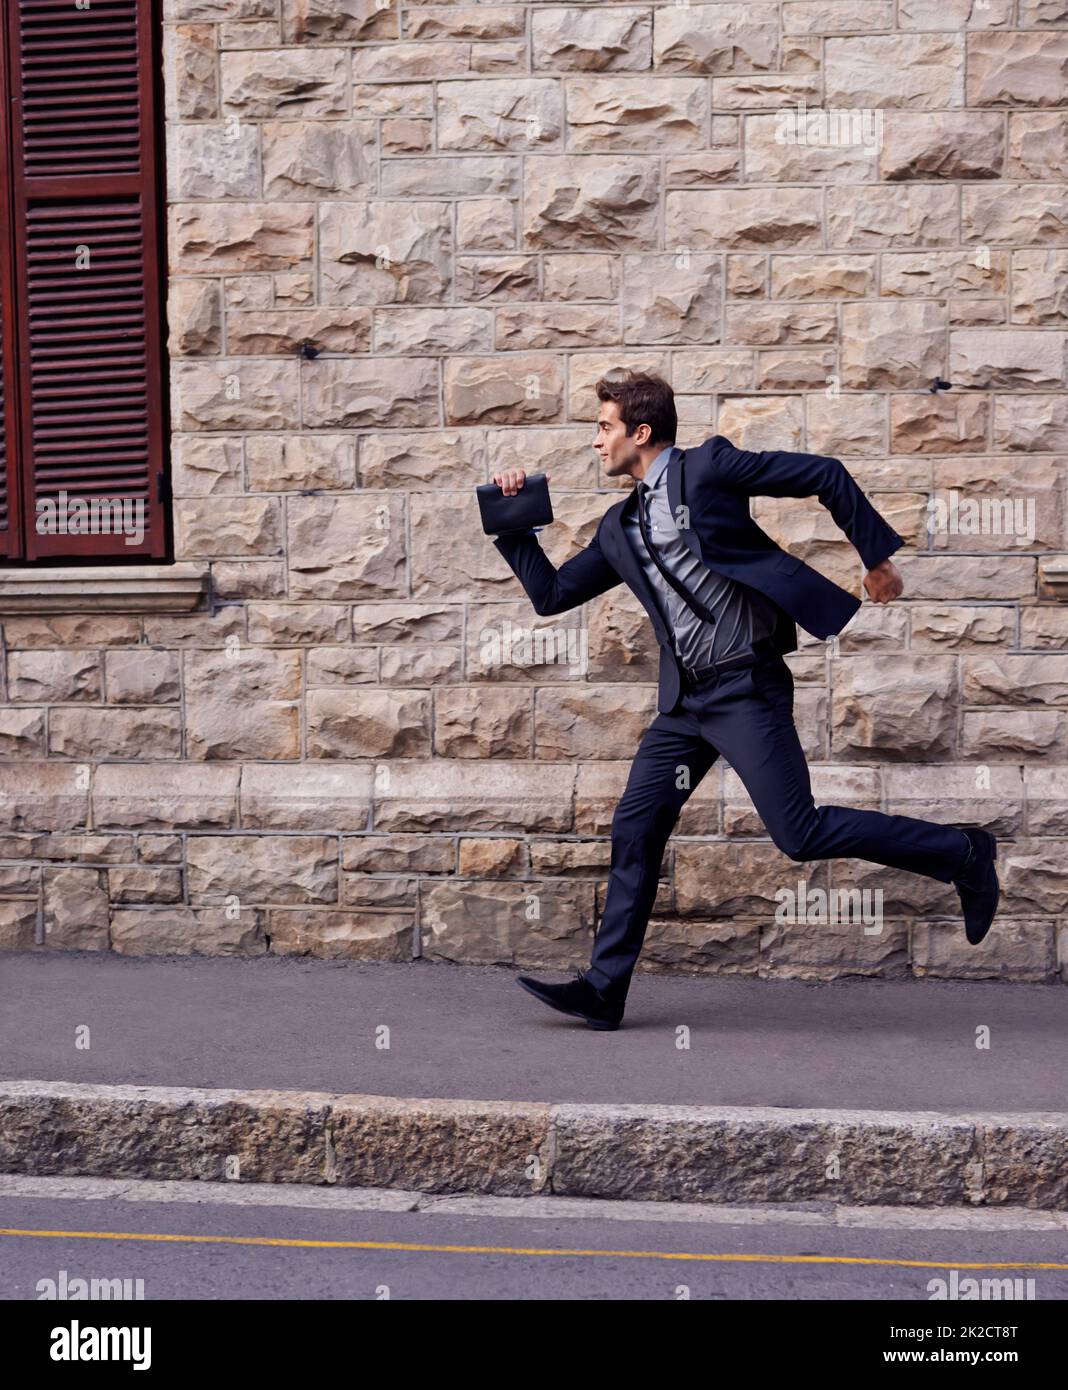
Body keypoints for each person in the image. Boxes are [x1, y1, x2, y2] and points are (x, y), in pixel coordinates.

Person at [488, 370, 999, 1031]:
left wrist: (875, 557)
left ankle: (963, 854)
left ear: (641, 433)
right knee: (635, 828)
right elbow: (552, 595)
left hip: (745, 689)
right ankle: (605, 988)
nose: (596, 443)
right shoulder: (621, 528)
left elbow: (826, 473)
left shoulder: (709, 469)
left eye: (604, 428)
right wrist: (509, 523)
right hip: (685, 710)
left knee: (799, 833)